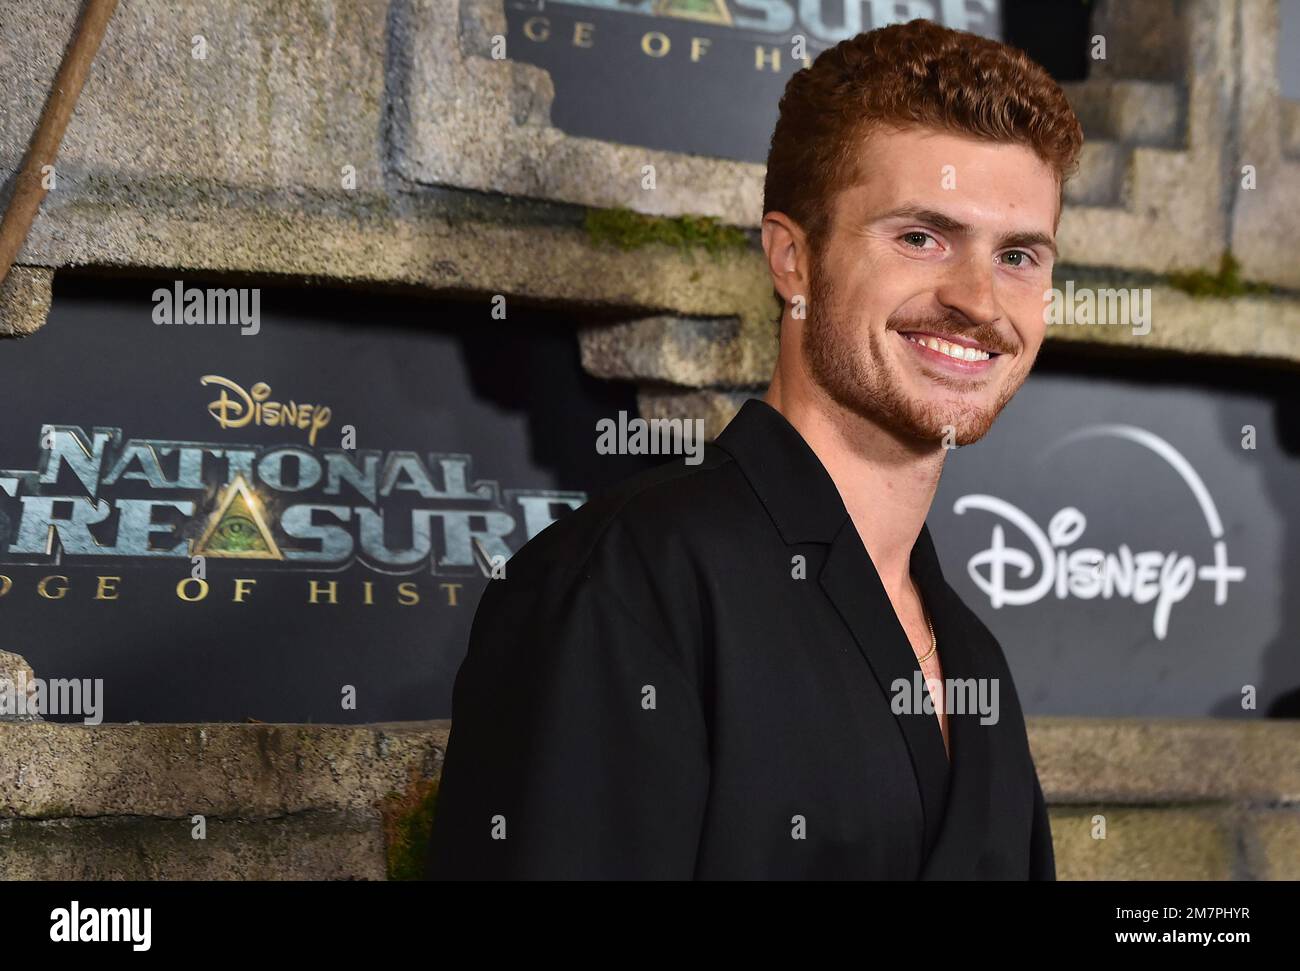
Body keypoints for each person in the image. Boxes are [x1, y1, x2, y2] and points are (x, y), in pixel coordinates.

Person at [426, 17, 1082, 879]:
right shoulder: (627, 587)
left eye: (1019, 255)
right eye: (921, 237)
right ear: (791, 259)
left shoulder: (974, 658)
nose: (978, 300)